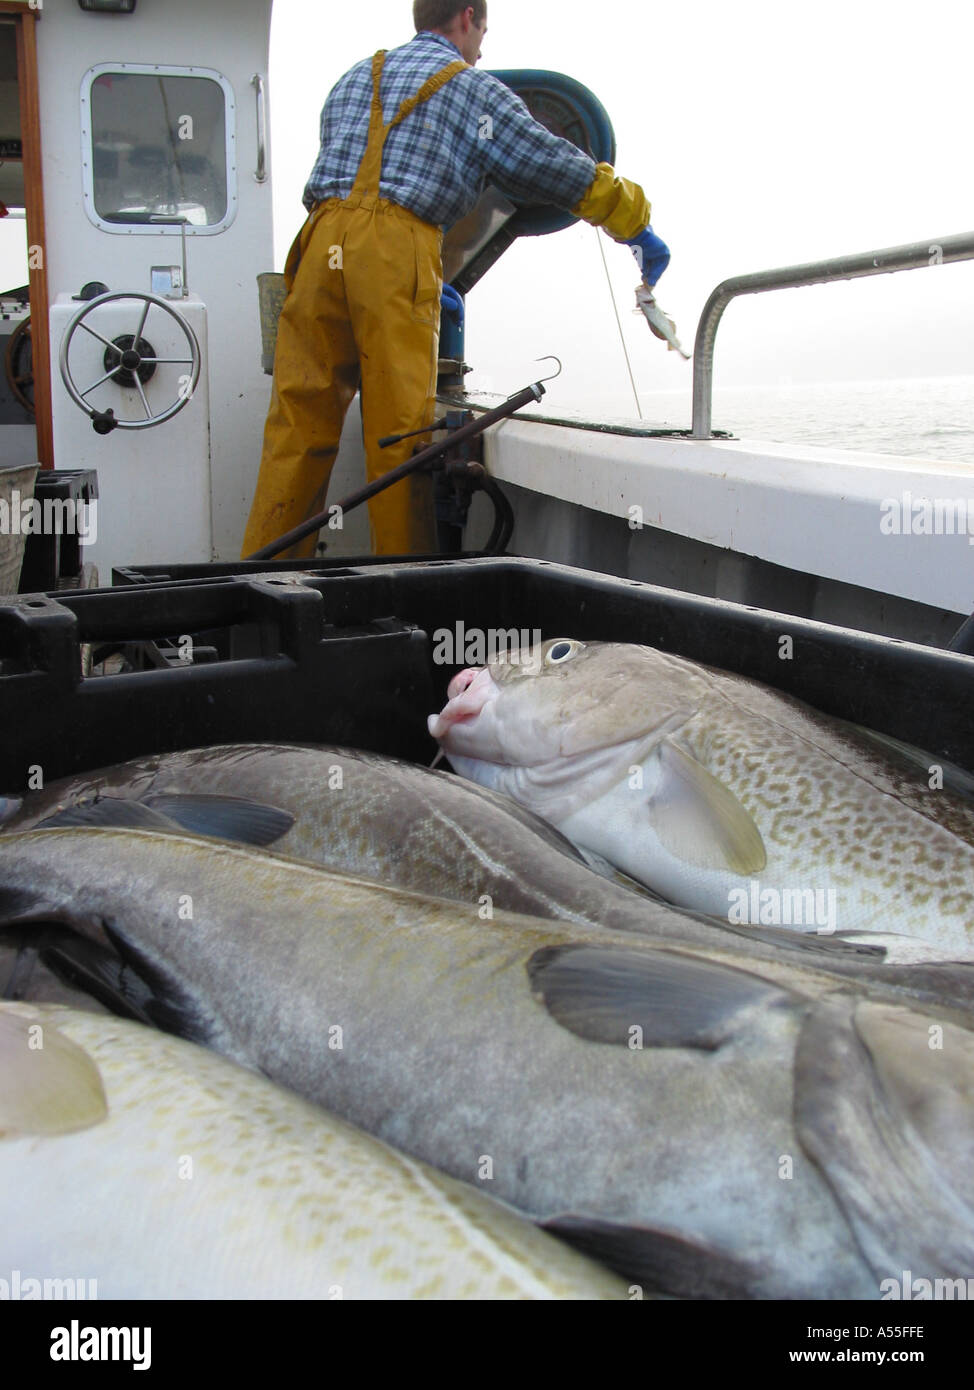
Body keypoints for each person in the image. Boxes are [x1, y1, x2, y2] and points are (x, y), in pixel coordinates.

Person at [241, 0, 670, 560]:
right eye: (483, 31)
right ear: (467, 16)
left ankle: (258, 594)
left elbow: (356, 177)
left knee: (296, 430)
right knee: (401, 441)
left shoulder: (354, 78)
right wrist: (633, 220)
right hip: (396, 252)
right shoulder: (471, 89)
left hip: (320, 246)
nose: (482, 48)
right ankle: (405, 602)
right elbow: (547, 162)